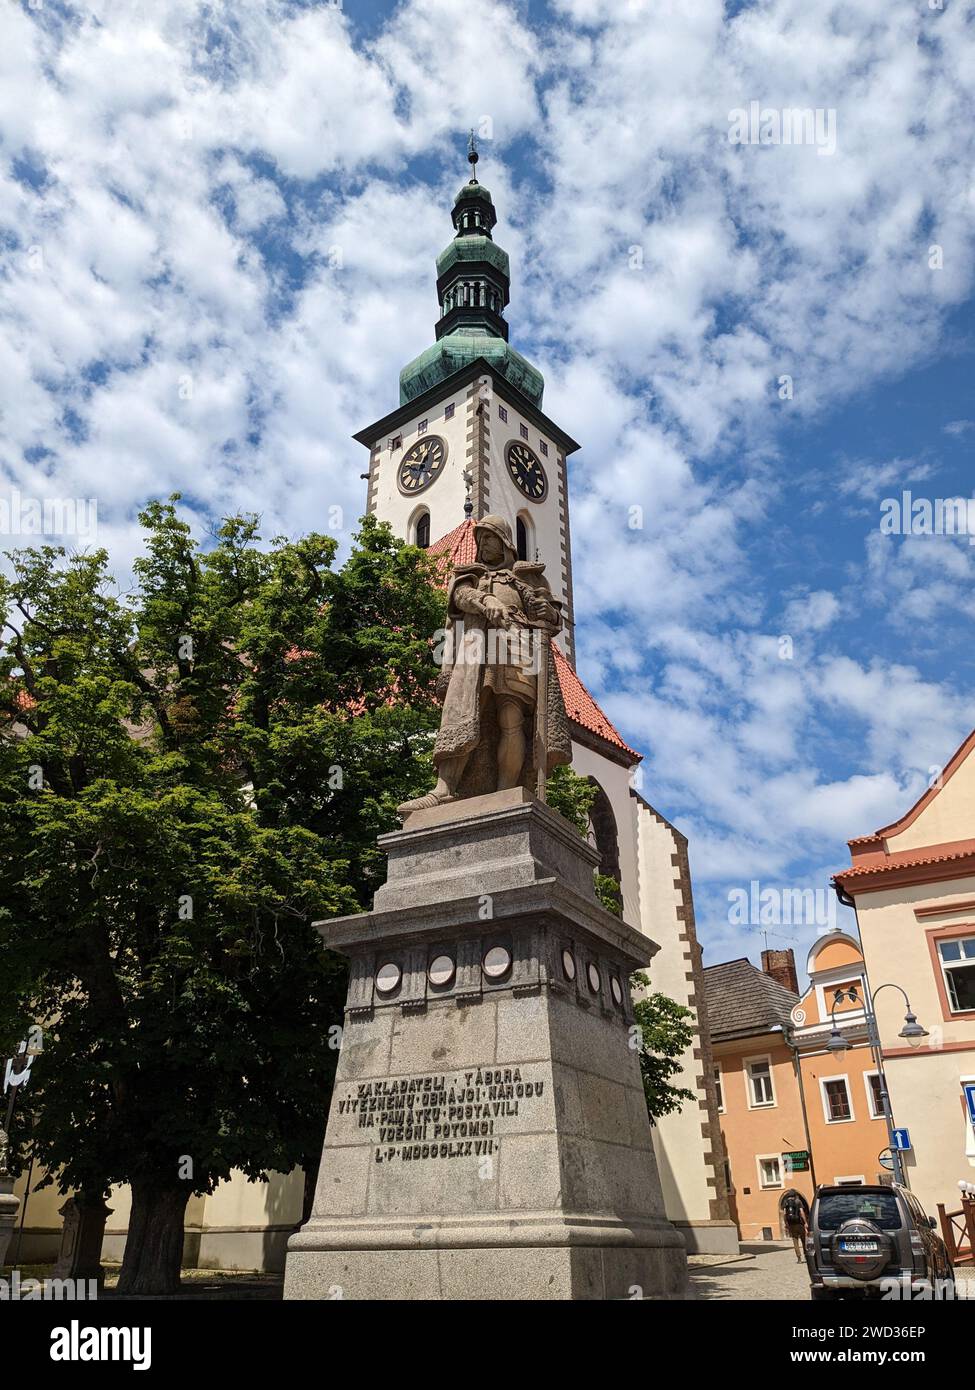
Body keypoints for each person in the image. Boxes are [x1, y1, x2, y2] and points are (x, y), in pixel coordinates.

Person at [398, 514, 570, 815]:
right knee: (463, 712)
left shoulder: (528, 579)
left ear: (504, 542)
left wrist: (548, 612)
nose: (482, 544)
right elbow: (459, 596)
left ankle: (508, 792)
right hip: (477, 649)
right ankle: (445, 789)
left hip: (518, 649)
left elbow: (552, 618)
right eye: (480, 539)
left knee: (511, 716)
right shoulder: (473, 575)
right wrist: (486, 601)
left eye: (488, 537)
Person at [783, 1192, 807, 1261]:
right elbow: (802, 1212)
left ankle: (799, 1258)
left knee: (795, 1240)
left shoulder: (786, 1203)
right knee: (803, 1240)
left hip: (791, 1224)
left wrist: (786, 1224)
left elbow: (784, 1214)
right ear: (795, 1196)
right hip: (799, 1223)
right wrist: (805, 1222)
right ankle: (806, 1255)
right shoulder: (798, 1201)